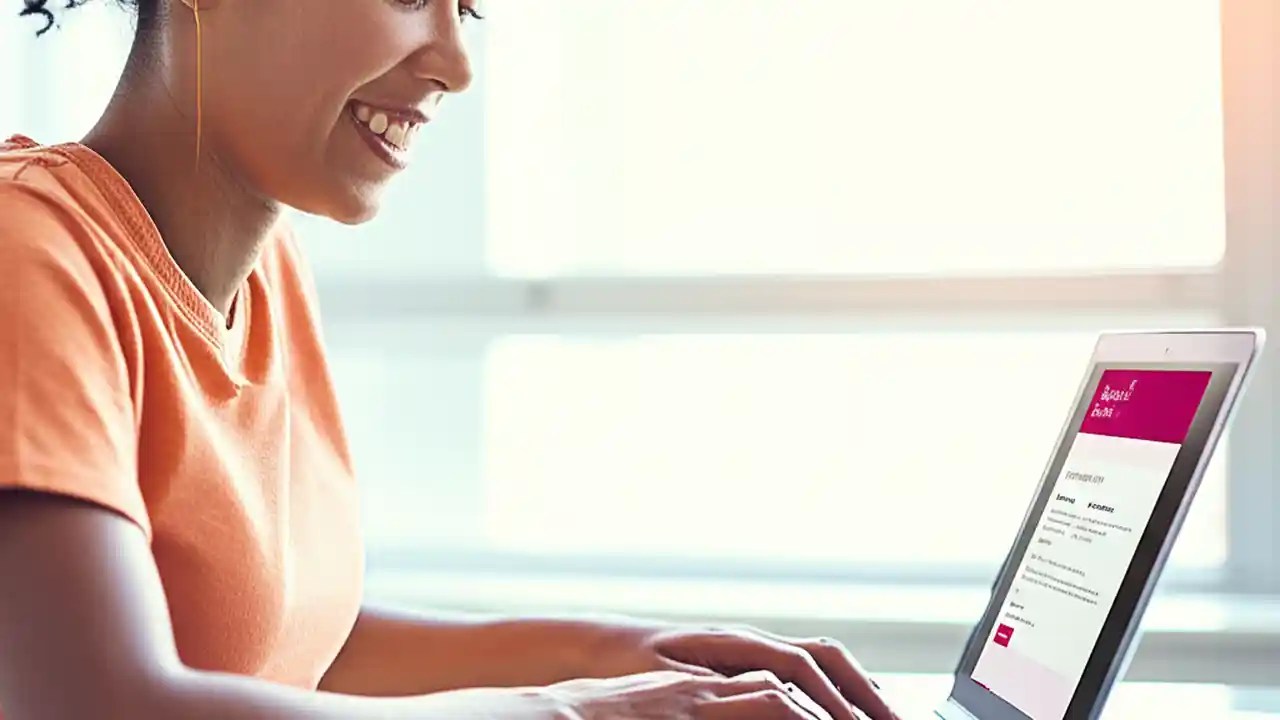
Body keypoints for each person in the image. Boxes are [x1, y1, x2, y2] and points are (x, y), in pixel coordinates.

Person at [0, 1, 902, 718]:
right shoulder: (26, 254)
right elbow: (94, 704)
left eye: (467, 7)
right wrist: (574, 712)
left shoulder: (265, 273)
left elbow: (284, 647)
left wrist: (630, 656)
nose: (457, 62)